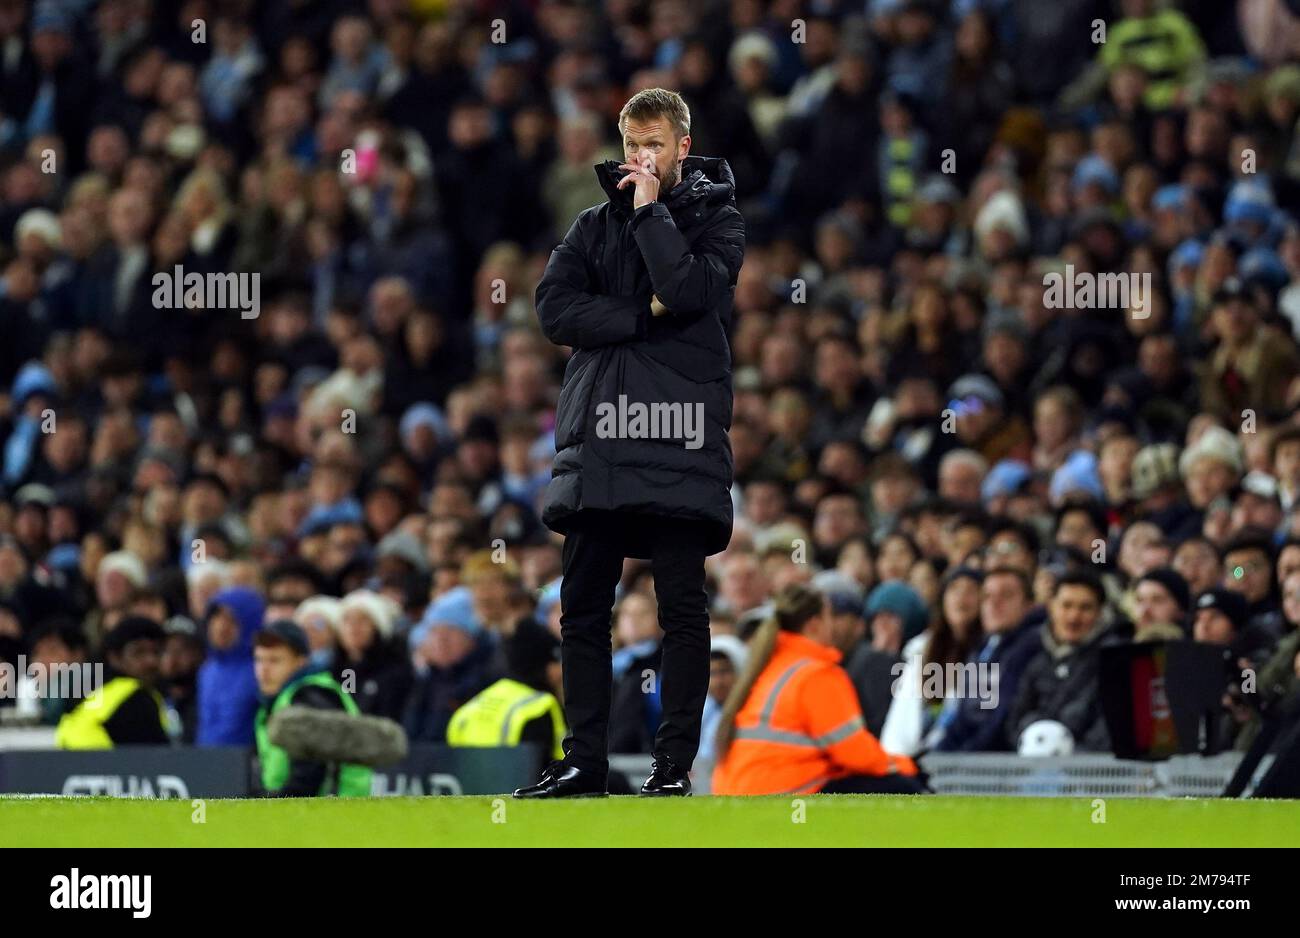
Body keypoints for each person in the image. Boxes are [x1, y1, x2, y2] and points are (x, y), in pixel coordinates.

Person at [518, 87, 746, 799]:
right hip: (602, 438)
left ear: (683, 147)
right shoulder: (590, 226)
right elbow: (553, 310)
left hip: (678, 436)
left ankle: (672, 768)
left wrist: (650, 214)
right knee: (583, 605)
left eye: (655, 145)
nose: (642, 159)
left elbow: (683, 288)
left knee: (681, 606)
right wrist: (634, 313)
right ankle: (584, 761)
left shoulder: (720, 220)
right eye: (633, 145)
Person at [711, 583, 924, 795]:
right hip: (786, 791)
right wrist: (905, 766)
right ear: (814, 625)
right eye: (830, 616)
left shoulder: (769, 667)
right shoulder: (816, 674)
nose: (835, 626)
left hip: (743, 791)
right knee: (903, 786)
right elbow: (854, 752)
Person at [252, 620, 373, 797]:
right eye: (259, 660)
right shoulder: (278, 701)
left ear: (300, 663)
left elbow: (310, 777)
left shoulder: (311, 699)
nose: (263, 670)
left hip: (331, 813)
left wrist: (273, 808)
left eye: (274, 661)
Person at [1008, 572, 1115, 753]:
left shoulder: (1114, 662)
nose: (1074, 617)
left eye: (1085, 608)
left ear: (1100, 612)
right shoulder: (1037, 662)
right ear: (1051, 607)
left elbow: (1105, 733)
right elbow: (1014, 723)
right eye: (1066, 606)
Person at [448, 619, 566, 762]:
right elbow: (542, 772)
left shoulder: (471, 706)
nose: (560, 671)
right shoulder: (539, 707)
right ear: (546, 665)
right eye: (556, 661)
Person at [56, 617, 174, 748]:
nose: (151, 661)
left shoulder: (86, 690)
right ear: (115, 657)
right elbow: (158, 759)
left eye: (156, 652)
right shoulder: (136, 697)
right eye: (139, 652)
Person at [196, 585, 264, 746]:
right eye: (216, 616)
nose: (220, 626)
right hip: (205, 765)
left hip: (246, 766)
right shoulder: (207, 670)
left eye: (231, 619)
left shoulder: (261, 669)